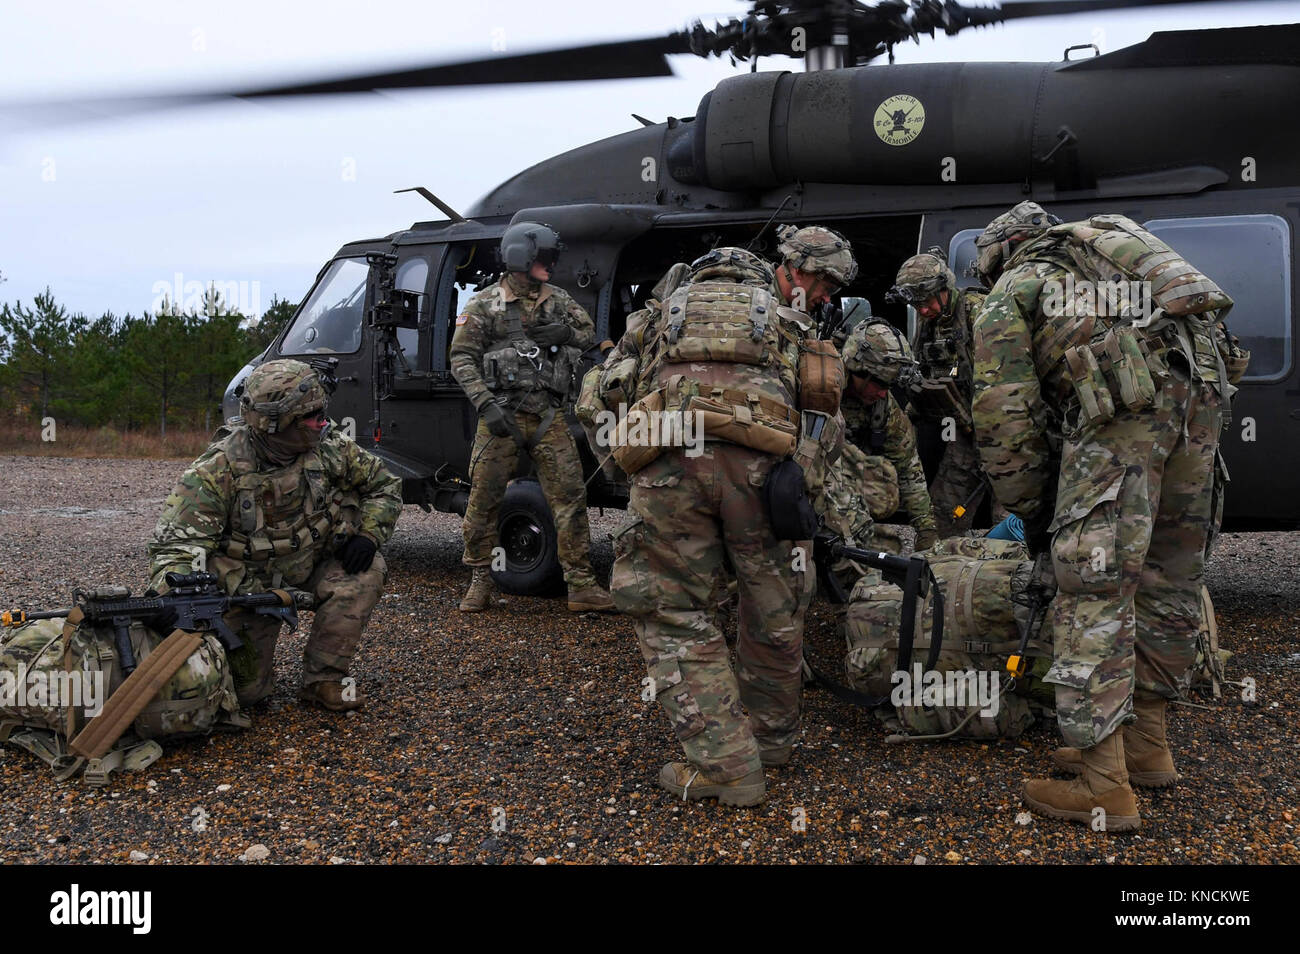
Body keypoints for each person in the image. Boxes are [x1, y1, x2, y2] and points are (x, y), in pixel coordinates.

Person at [970, 200, 1246, 831]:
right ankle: (1147, 748)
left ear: (1000, 254)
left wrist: (1033, 515)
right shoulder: (1118, 258)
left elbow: (1003, 418)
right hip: (1201, 400)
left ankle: (1104, 784)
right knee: (1165, 580)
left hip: (1123, 409)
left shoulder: (1017, 285)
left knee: (1091, 589)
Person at [605, 245, 848, 806]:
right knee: (774, 608)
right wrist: (802, 481)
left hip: (671, 463)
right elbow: (827, 412)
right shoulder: (792, 323)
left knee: (672, 608)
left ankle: (726, 765)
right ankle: (770, 742)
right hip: (765, 468)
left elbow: (608, 393)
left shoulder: (656, 317)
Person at [147, 358, 402, 712]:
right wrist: (171, 596)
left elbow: (384, 486)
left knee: (366, 572)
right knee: (248, 696)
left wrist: (369, 536)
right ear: (276, 423)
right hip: (246, 588)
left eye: (321, 410)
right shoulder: (215, 470)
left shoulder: (330, 448)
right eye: (311, 415)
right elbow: (177, 547)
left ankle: (324, 679)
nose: (323, 421)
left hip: (311, 563)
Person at [450, 221, 614, 613]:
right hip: (500, 418)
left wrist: (563, 334)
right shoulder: (485, 304)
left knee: (570, 498)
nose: (552, 265)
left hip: (548, 416)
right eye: (546, 258)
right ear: (523, 258)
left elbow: (588, 335)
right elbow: (461, 358)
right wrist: (486, 404)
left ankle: (581, 584)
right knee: (484, 501)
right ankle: (479, 581)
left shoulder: (558, 300)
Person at [887, 249, 992, 535]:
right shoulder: (929, 320)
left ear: (945, 288)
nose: (922, 310)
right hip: (961, 429)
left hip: (997, 428)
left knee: (1011, 511)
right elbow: (925, 371)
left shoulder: (978, 312)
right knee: (949, 514)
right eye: (917, 305)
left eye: (927, 301)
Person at [826, 318, 939, 554]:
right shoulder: (820, 387)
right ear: (856, 369)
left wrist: (926, 530)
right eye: (879, 383)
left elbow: (908, 465)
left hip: (843, 482)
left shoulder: (882, 405)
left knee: (884, 490)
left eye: (889, 384)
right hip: (810, 479)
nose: (883, 392)